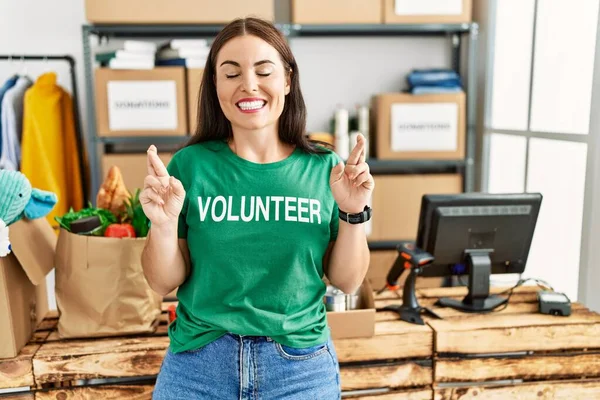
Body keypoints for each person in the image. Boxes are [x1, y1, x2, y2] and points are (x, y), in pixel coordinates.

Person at [141, 17, 374, 400]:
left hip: (299, 366)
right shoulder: (188, 167)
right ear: (215, 86)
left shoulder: (326, 170)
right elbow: (161, 283)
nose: (248, 84)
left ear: (286, 79)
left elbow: (347, 282)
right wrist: (163, 226)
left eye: (263, 71)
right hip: (199, 364)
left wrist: (352, 214)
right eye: (231, 73)